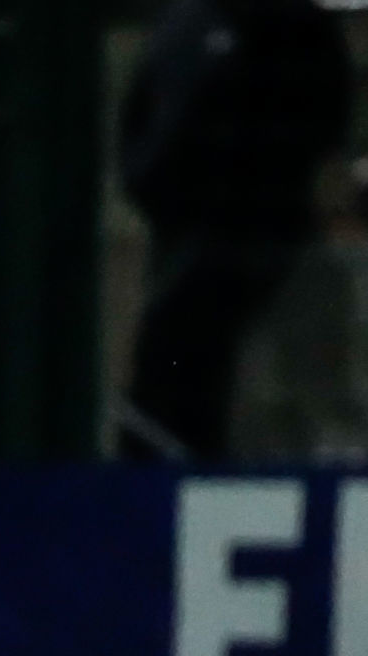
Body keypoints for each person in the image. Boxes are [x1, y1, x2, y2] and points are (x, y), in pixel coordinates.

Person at [118, 0, 350, 460]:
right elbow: (145, 123)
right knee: (181, 379)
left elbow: (324, 121)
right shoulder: (187, 25)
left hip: (277, 241)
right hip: (196, 243)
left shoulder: (300, 30)